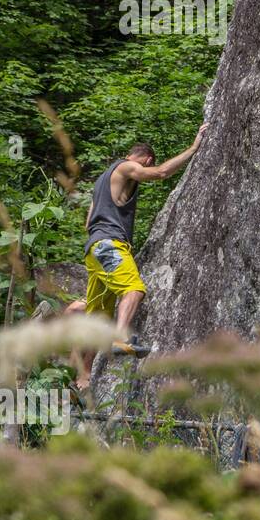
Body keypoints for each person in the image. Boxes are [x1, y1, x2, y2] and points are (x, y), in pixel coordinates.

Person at [65, 125, 208, 389]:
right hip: (109, 246)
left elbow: (88, 222)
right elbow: (162, 173)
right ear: (145, 159)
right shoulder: (124, 167)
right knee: (134, 289)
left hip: (93, 250)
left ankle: (82, 378)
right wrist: (194, 147)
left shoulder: (101, 182)